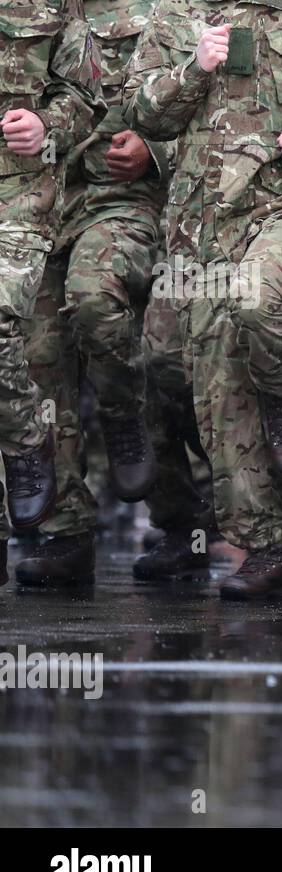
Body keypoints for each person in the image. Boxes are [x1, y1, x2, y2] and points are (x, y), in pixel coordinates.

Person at [125, 0, 282, 599]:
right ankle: (259, 541)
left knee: (259, 301)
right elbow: (143, 115)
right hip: (199, 230)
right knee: (202, 374)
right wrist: (194, 67)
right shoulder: (176, 15)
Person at [17, 0, 167, 587]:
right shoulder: (29, 14)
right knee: (39, 357)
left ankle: (122, 415)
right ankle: (67, 532)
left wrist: (156, 152)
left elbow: (217, 113)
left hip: (117, 200)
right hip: (32, 205)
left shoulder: (159, 12)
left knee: (95, 301)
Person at [0, 0, 102, 583]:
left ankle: (27, 443)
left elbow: (84, 95)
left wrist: (48, 126)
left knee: (19, 340)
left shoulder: (55, 6)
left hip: (19, 198)